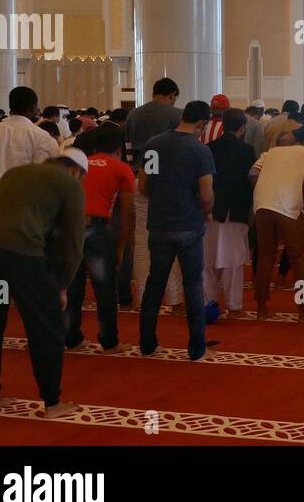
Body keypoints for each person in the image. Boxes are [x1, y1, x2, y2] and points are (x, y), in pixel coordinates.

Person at [0, 149, 87, 418]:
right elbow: (74, 243)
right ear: (77, 172)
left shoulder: (16, 173)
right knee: (45, 325)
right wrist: (62, 285)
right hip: (19, 254)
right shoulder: (70, 185)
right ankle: (52, 402)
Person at [138, 101, 215, 361]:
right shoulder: (200, 150)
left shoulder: (153, 145)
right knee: (192, 284)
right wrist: (205, 209)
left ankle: (147, 343)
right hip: (189, 225)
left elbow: (144, 186)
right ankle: (196, 349)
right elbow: (206, 195)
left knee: (155, 282)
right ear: (202, 123)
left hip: (159, 224)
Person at [65, 127, 135, 354]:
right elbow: (127, 214)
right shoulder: (122, 168)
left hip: (69, 227)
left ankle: (71, 338)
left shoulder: (79, 164)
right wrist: (121, 247)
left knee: (72, 286)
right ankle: (109, 341)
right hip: (96, 228)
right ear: (118, 149)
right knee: (104, 288)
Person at [126, 77, 185, 311]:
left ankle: (141, 297)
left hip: (139, 178)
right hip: (167, 182)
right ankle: (175, 300)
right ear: (171, 94)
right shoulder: (174, 115)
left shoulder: (133, 115)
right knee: (171, 240)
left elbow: (129, 150)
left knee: (142, 241)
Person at [250, 129, 304, 322]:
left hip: (262, 205)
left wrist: (264, 194)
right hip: (289, 206)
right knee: (299, 259)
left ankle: (261, 308)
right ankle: (303, 309)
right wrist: (301, 203)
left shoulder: (268, 154)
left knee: (265, 258)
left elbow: (252, 174)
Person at [204, 109, 256, 320]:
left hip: (210, 208)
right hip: (235, 210)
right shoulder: (246, 150)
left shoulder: (209, 148)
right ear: (242, 128)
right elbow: (247, 182)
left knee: (207, 260)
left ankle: (207, 303)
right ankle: (234, 306)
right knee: (233, 260)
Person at [0, 86, 60, 196]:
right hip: (27, 204)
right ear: (34, 107)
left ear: (10, 106)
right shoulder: (42, 136)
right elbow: (46, 177)